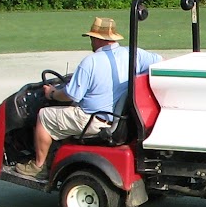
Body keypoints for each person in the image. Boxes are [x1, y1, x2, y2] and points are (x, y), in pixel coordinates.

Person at [13, 17, 161, 178]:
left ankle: (39, 166)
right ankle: (55, 154)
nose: (91, 42)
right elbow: (161, 61)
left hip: (92, 120)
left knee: (44, 116)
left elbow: (70, 95)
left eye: (92, 38)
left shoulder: (90, 62)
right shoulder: (134, 54)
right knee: (67, 111)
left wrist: (52, 93)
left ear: (97, 39)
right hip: (120, 119)